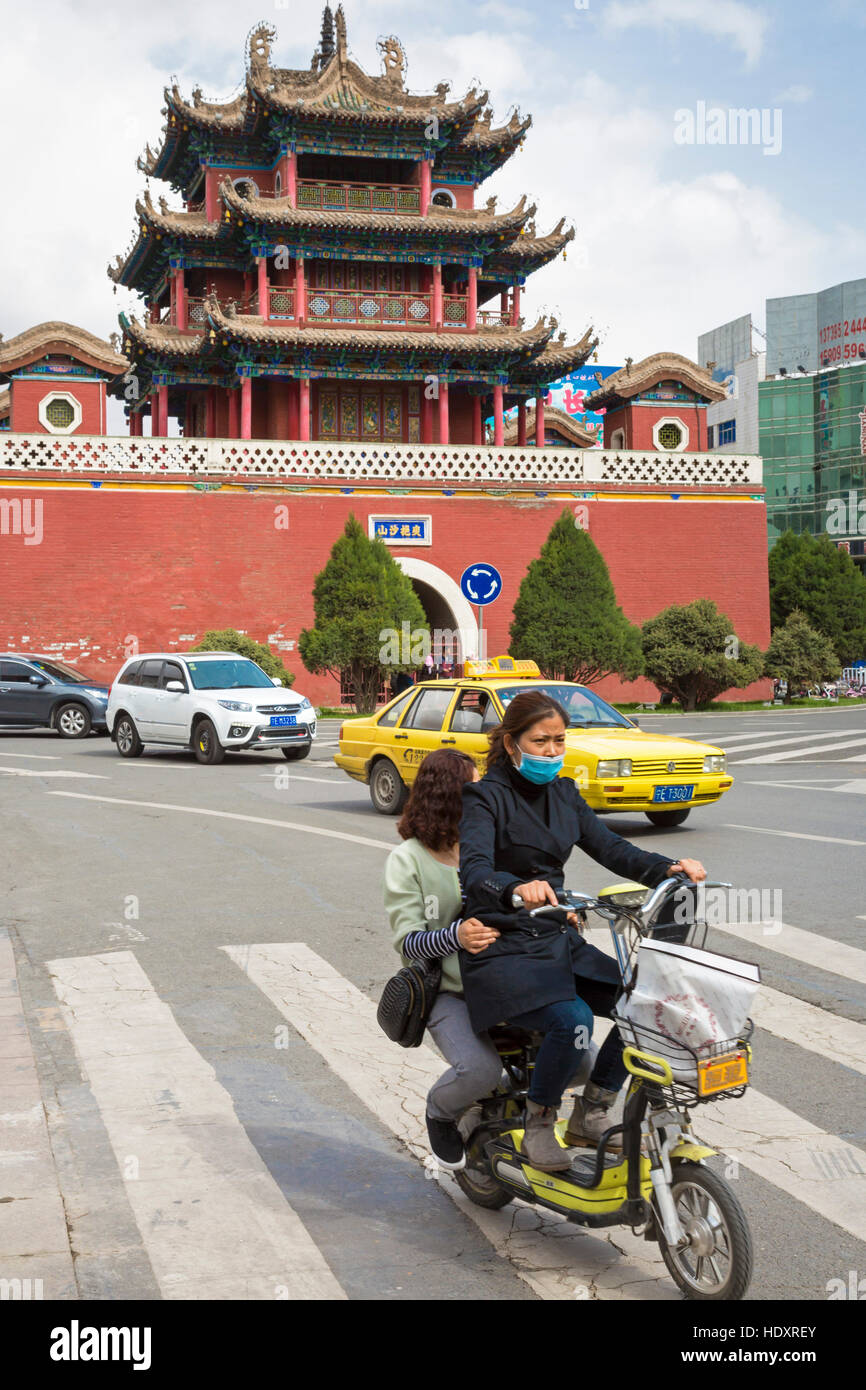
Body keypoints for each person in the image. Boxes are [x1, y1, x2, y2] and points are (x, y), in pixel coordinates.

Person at [458, 689, 706, 1173]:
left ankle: (592, 1112)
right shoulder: (484, 797)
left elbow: (613, 849)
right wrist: (515, 889)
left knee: (641, 1005)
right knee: (573, 1019)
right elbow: (475, 872)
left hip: (556, 938)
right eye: (540, 741)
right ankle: (538, 1123)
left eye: (559, 741)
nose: (552, 752)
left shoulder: (565, 794)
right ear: (511, 743)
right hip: (502, 944)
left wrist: (670, 868)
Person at [383, 749, 504, 1171]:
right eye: (473, 788)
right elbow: (409, 944)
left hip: (503, 980)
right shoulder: (407, 860)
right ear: (448, 796)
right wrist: (457, 936)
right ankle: (441, 1111)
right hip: (447, 991)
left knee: (577, 1058)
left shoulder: (487, 844)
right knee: (480, 1070)